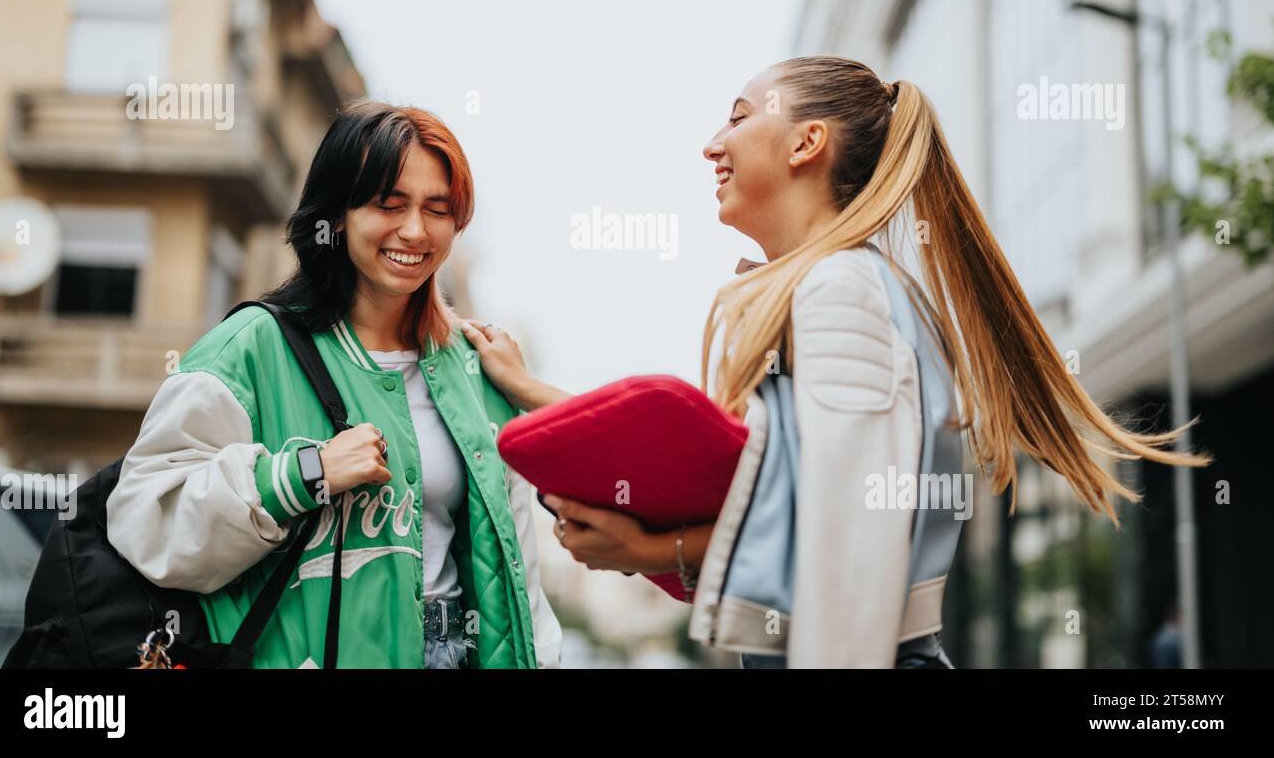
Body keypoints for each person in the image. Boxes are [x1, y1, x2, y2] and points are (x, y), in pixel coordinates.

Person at [462, 55, 1210, 667]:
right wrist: (532, 390)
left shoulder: (840, 290)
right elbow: (762, 489)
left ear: (805, 143)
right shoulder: (832, 288)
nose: (712, 144)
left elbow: (847, 562)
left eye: (739, 115)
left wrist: (655, 549)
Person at [107, 100, 562, 668]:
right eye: (388, 205)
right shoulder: (251, 348)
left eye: (438, 209)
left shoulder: (477, 366)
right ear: (338, 214)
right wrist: (299, 475)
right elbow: (144, 520)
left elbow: (519, 563)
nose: (416, 230)